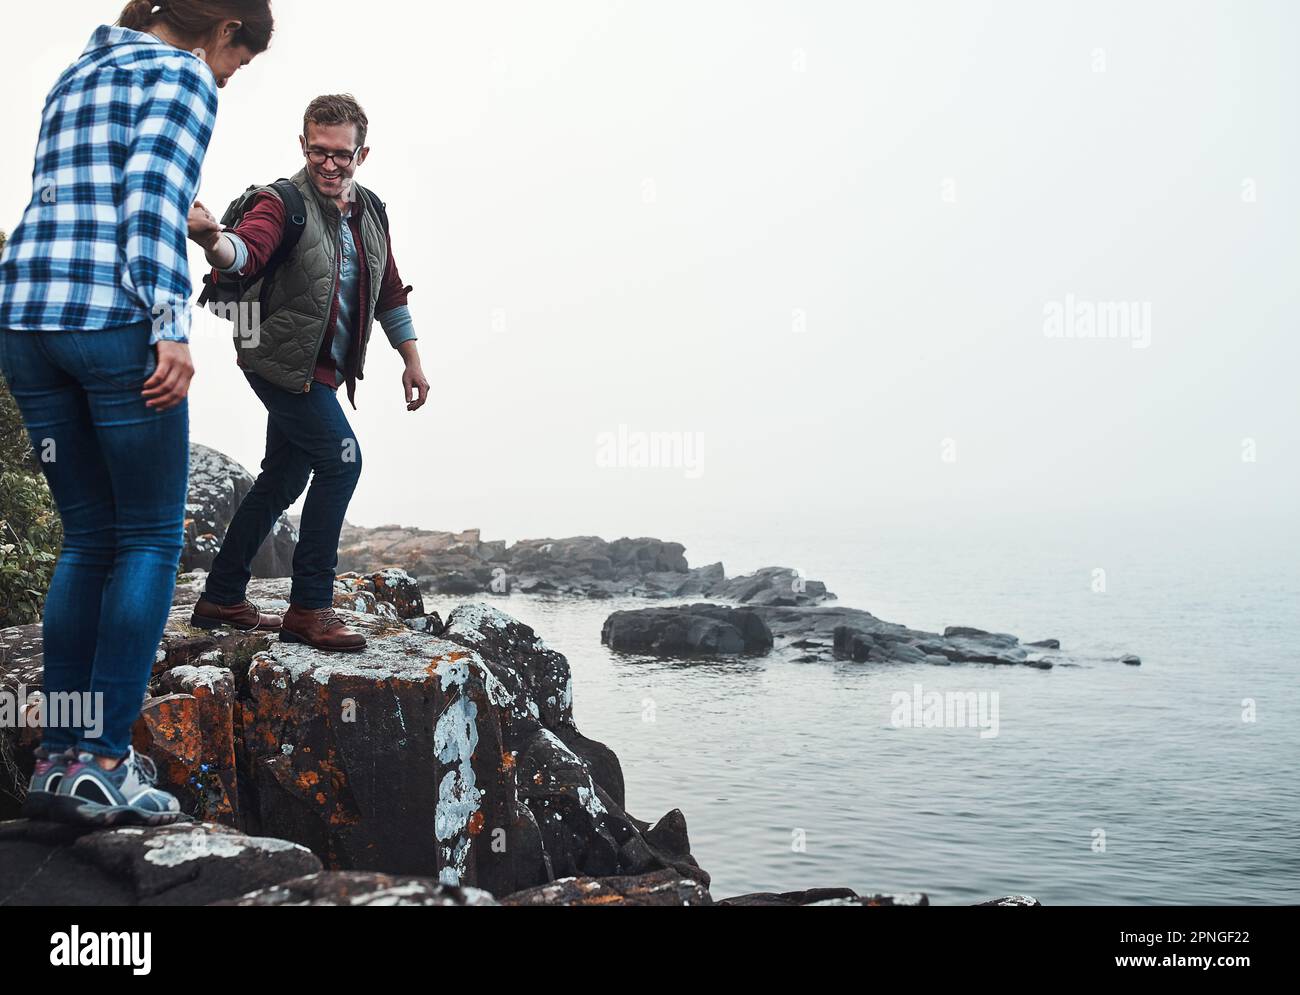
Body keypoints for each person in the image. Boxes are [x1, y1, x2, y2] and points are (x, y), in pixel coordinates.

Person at [0, 0, 274, 826]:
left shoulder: (79, 69)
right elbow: (150, 200)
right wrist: (171, 325)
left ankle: (58, 762)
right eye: (241, 58)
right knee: (149, 537)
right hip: (109, 323)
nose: (231, 74)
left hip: (25, 322)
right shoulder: (184, 75)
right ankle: (107, 760)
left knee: (88, 537)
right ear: (224, 29)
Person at [186, 93, 429, 652]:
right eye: (318, 150)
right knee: (342, 461)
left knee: (285, 478)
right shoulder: (282, 202)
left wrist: (411, 359)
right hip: (276, 360)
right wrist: (211, 241)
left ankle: (222, 596)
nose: (328, 163)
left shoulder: (370, 211)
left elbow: (389, 289)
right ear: (304, 144)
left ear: (360, 154)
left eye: (341, 154)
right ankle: (310, 609)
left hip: (323, 369)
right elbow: (246, 251)